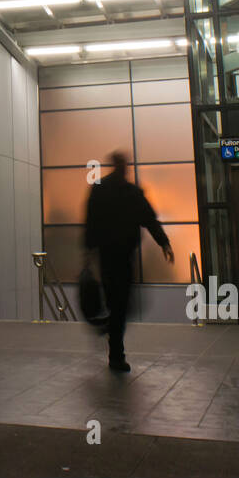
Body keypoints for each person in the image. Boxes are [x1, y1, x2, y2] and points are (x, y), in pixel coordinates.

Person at [84, 152, 172, 372]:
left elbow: (91, 222)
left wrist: (88, 251)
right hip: (124, 256)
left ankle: (112, 338)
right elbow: (149, 220)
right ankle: (116, 352)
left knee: (115, 302)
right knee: (121, 305)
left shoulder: (99, 189)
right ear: (124, 167)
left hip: (106, 256)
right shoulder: (133, 193)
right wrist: (164, 243)